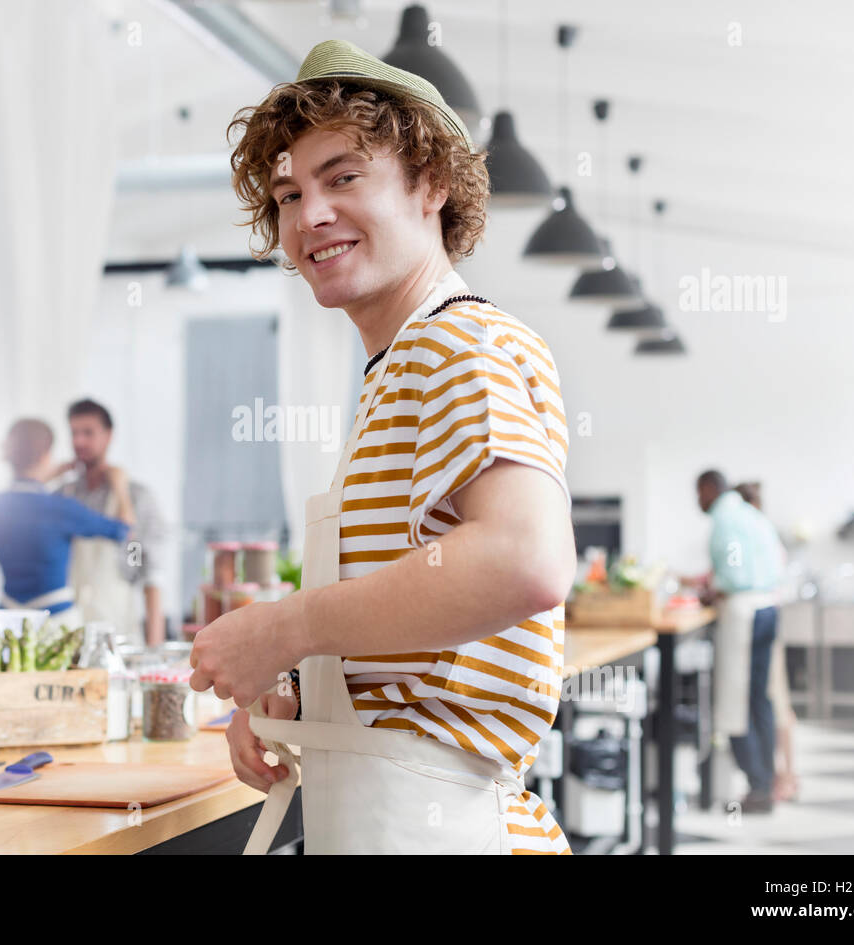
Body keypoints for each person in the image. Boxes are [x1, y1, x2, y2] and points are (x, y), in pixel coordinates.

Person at [192, 39, 576, 854]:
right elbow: (423, 613)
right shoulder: (400, 366)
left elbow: (524, 559)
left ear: (432, 184)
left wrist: (285, 628)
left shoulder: (457, 345)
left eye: (342, 177)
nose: (310, 215)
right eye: (290, 193)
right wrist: (306, 688)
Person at [695, 469, 786, 813]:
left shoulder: (725, 518)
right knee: (759, 699)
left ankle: (757, 786)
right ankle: (765, 782)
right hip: (767, 607)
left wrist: (709, 592)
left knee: (734, 702)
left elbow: (731, 577)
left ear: (709, 488)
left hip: (743, 613)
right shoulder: (752, 514)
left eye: (698, 493)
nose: (698, 501)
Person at [0, 418, 134, 618]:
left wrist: (47, 475)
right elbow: (124, 530)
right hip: (54, 619)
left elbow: (25, 498)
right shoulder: (61, 508)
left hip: (6, 616)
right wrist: (120, 485)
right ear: (46, 456)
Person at [51, 399, 167, 648]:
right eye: (74, 433)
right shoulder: (61, 495)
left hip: (119, 633)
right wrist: (48, 475)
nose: (79, 441)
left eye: (88, 433)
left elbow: (150, 574)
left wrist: (154, 648)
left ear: (109, 435)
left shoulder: (137, 497)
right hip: (66, 634)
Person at [735, 480, 799, 803]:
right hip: (771, 616)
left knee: (776, 703)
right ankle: (784, 775)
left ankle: (786, 777)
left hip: (764, 617)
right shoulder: (765, 530)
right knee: (774, 702)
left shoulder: (754, 533)